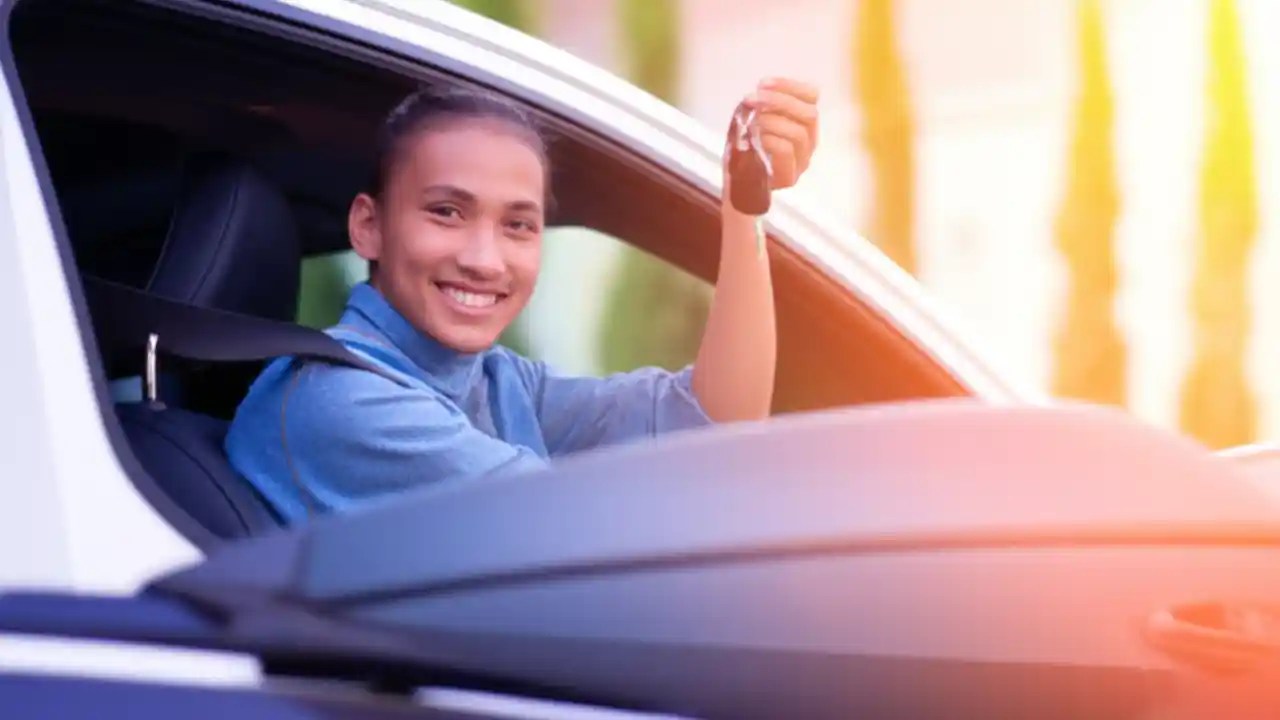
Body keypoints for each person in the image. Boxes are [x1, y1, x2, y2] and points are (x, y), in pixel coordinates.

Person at [225, 78, 820, 523]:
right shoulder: (340, 401)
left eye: (518, 225)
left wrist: (744, 209)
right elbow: (589, 531)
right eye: (447, 212)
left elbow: (714, 421)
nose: (485, 259)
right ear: (368, 226)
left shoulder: (495, 382)